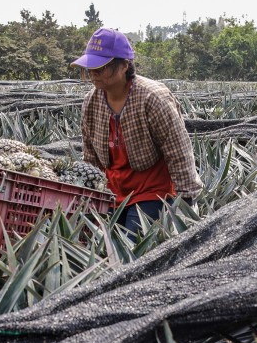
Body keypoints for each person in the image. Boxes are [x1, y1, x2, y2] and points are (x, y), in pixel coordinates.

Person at [72, 27, 201, 233]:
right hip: (112, 192)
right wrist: (91, 193)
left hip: (151, 192)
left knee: (133, 250)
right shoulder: (92, 101)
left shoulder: (151, 97)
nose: (93, 73)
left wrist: (186, 199)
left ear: (124, 65)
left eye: (101, 67)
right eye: (90, 68)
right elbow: (91, 155)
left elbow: (178, 149)